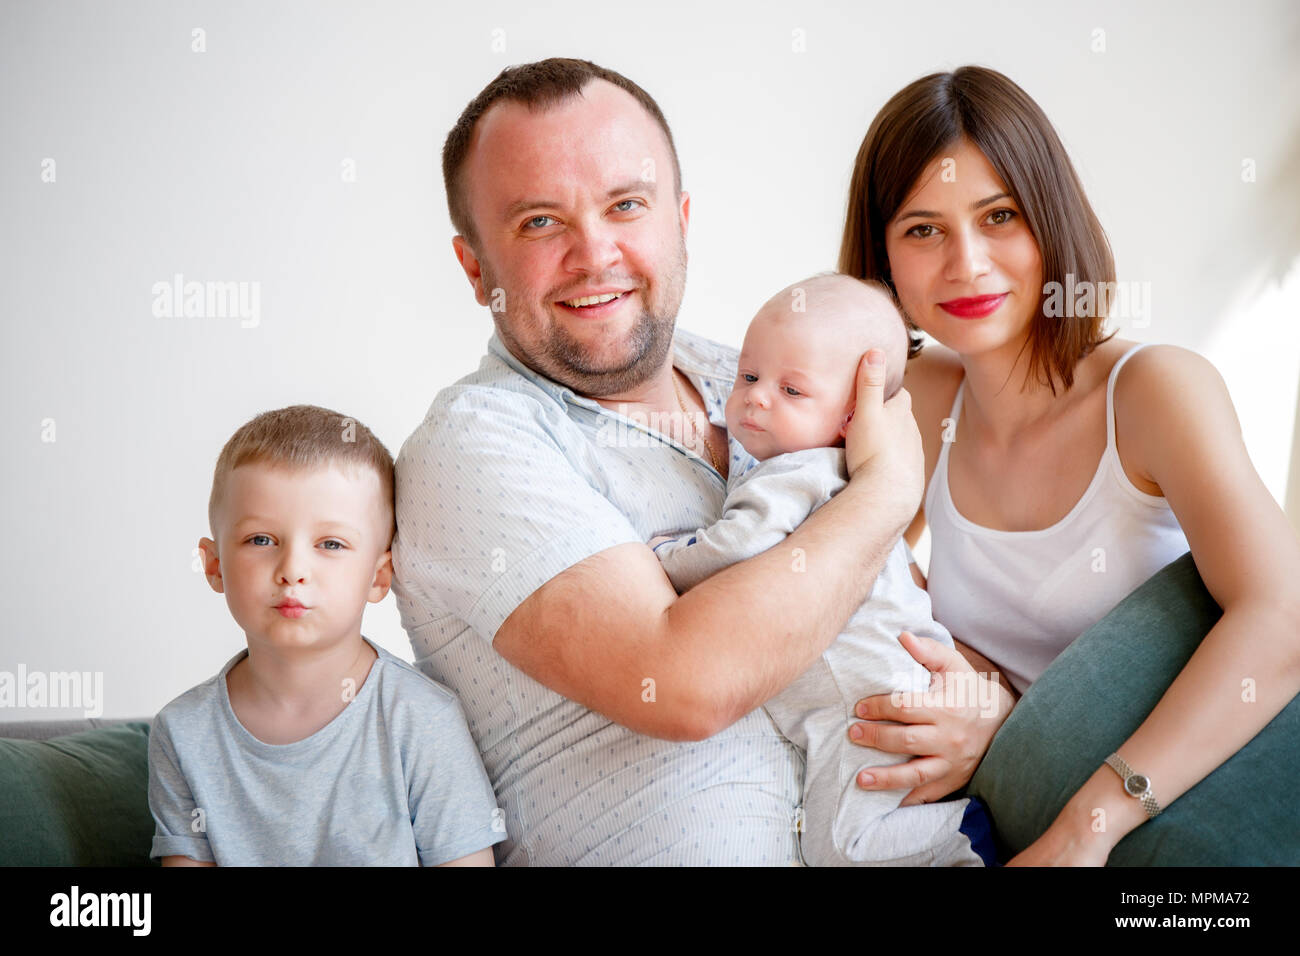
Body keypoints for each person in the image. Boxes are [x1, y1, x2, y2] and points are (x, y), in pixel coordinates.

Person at [391, 58, 930, 865]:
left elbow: (892, 604)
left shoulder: (751, 375)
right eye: (540, 222)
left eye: (625, 205)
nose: (593, 253)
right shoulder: (473, 445)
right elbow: (685, 683)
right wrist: (887, 492)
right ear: (476, 269)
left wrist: (972, 713)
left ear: (678, 219)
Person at [837, 66, 1300, 864]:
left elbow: (1282, 615)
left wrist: (1088, 828)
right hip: (1012, 811)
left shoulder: (1153, 391)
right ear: (882, 260)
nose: (967, 263)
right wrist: (986, 692)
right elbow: (843, 581)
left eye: (1000, 216)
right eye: (922, 229)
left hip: (1175, 819)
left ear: (1053, 220)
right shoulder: (916, 401)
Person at [653, 273, 995, 866]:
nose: (758, 398)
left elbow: (734, 550)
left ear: (849, 419)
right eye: (750, 377)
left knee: (842, 848)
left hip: (864, 701)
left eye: (793, 390)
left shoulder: (799, 473)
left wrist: (663, 556)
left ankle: (961, 842)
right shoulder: (845, 477)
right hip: (885, 686)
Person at [148, 405, 505, 866]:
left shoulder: (422, 722)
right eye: (261, 540)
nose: (293, 570)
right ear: (215, 565)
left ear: (379, 577)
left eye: (330, 544)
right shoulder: (183, 733)